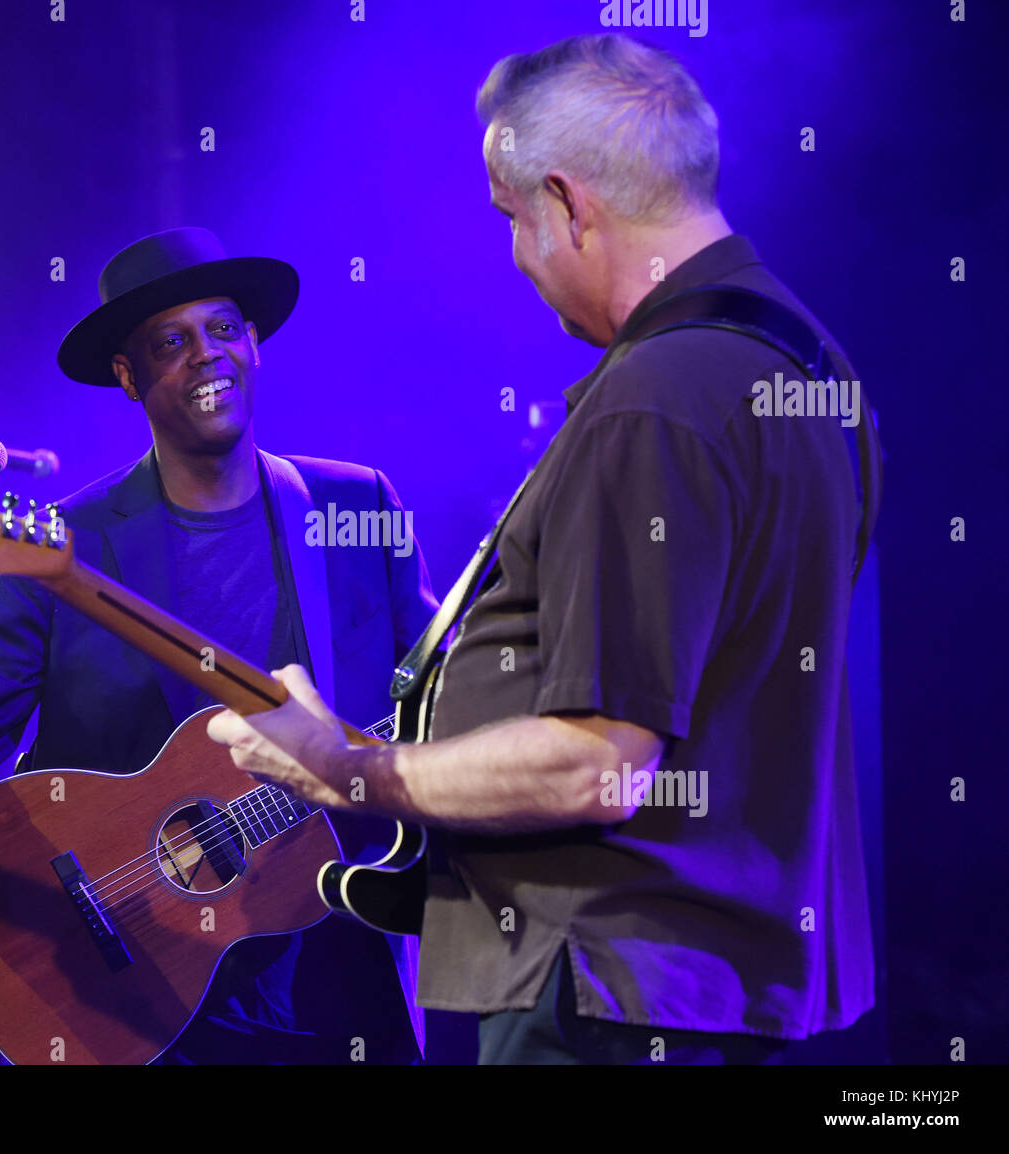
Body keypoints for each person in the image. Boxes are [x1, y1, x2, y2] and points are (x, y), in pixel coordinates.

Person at [207, 34, 881, 1065]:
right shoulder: (815, 372)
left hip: (603, 988)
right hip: (729, 987)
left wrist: (348, 768)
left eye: (512, 219)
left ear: (568, 203)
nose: (518, 257)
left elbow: (593, 764)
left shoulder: (650, 401)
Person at [0, 227, 435, 1064]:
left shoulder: (354, 506)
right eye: (170, 343)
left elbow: (443, 690)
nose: (206, 356)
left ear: (254, 343)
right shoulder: (66, 545)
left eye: (223, 329)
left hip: (333, 983)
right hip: (137, 999)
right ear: (129, 375)